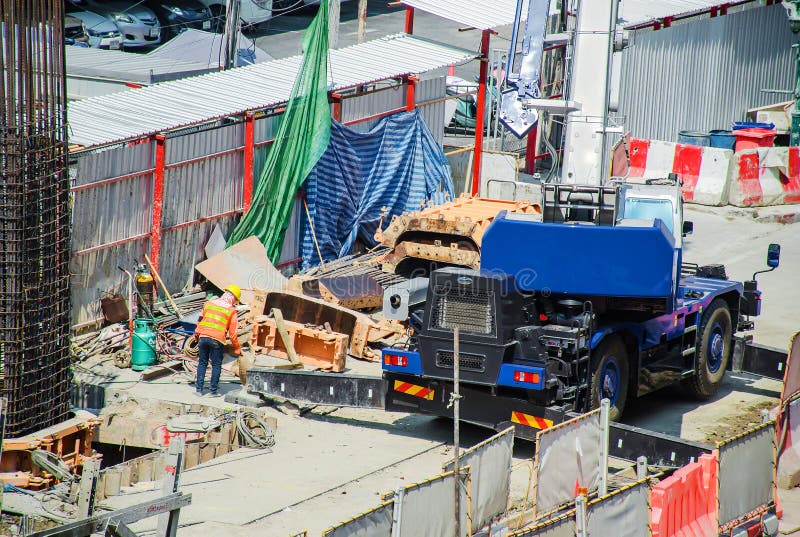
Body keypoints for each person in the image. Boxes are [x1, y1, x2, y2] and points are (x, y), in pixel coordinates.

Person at [193, 284, 242, 397]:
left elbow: (200, 320)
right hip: (217, 340)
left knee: (202, 362)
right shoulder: (231, 310)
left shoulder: (208, 303)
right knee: (216, 364)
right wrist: (237, 348)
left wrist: (197, 334)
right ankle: (213, 391)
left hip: (203, 336)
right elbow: (233, 334)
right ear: (234, 298)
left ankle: (199, 390)